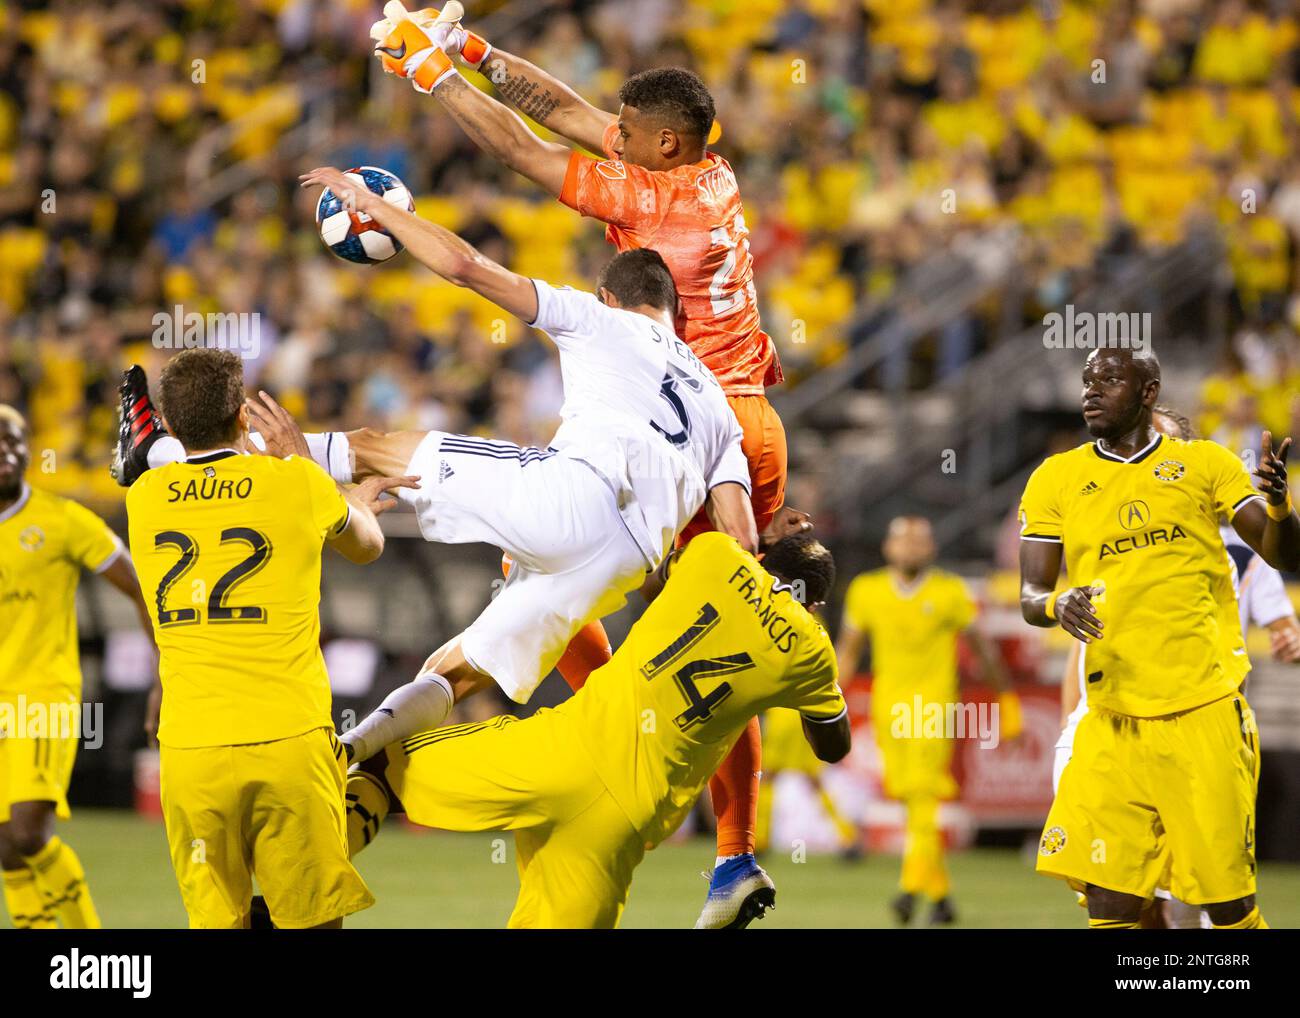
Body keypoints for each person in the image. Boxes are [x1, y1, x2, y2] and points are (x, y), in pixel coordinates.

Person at [369, 2, 788, 924]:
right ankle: (735, 854)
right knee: (716, 625)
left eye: (630, 135)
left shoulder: (655, 197)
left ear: (664, 146)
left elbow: (522, 149)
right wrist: (468, 47)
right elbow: (562, 109)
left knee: (553, 561)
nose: (614, 139)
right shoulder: (703, 170)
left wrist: (426, 73)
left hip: (690, 424)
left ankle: (623, 749)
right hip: (735, 419)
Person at [345, 530, 849, 928]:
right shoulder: (811, 653)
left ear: (764, 558)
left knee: (379, 764)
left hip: (563, 750)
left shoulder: (716, 555)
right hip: (622, 822)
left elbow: (649, 579)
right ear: (816, 606)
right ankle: (734, 856)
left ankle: (299, 887)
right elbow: (832, 744)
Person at [125, 348, 406, 928]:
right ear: (245, 417)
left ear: (173, 427)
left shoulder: (145, 499)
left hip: (190, 749)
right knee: (311, 921)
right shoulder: (297, 483)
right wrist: (322, 477)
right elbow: (368, 545)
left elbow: (168, 467)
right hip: (287, 741)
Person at [1020, 347, 1298, 930]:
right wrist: (1054, 604)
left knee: (1225, 906)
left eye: (1110, 380)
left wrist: (1279, 507)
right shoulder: (1056, 478)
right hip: (1111, 717)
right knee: (1111, 902)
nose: (1091, 391)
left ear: (1149, 392)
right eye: (1087, 380)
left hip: (1201, 709)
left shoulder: (1205, 464)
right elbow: (1031, 593)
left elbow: (1282, 553)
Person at [0, 405, 157, 929]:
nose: (8, 451)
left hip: (41, 696)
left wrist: (166, 670)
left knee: (26, 833)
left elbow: (139, 585)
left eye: (17, 441)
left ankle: (88, 939)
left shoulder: (60, 519)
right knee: (5, 847)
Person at [836, 515, 1020, 926]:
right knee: (909, 799)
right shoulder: (866, 591)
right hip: (888, 710)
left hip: (932, 711)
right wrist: (827, 699)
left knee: (922, 797)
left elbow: (984, 651)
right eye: (904, 541)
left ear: (932, 549)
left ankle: (908, 889)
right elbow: (848, 650)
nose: (912, 549)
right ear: (888, 548)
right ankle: (940, 898)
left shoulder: (950, 592)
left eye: (920, 542)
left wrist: (1007, 700)